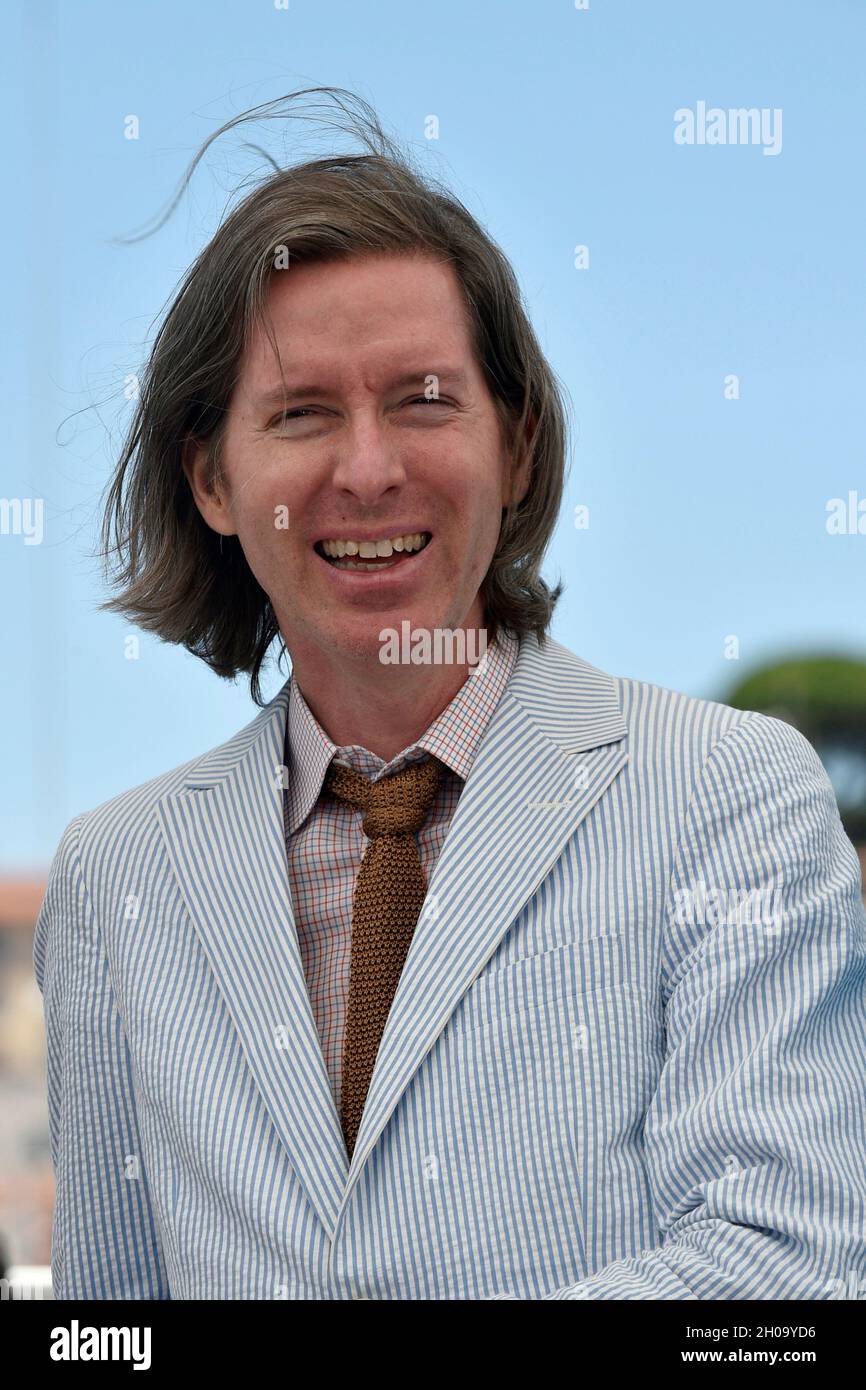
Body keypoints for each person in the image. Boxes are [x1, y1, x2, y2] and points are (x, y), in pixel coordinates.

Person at [34, 89, 866, 1300]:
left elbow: (787, 1276)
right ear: (212, 477)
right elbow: (109, 1321)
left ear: (515, 445)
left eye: (423, 399)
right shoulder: (116, 878)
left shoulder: (727, 798)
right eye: (301, 413)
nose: (368, 471)